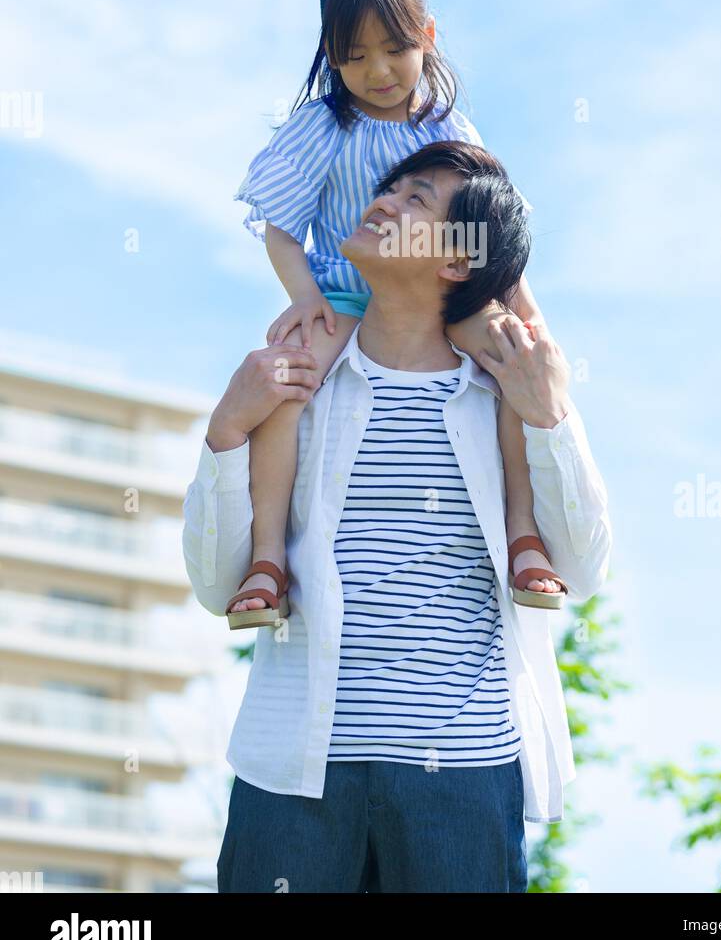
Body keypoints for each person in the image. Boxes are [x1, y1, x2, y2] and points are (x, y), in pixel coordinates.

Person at [182, 139, 613, 892]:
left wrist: (550, 414)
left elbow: (582, 566)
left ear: (457, 260)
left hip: (465, 778)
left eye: (418, 200)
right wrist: (224, 433)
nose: (383, 202)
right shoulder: (299, 376)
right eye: (391, 189)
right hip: (295, 776)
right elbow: (219, 584)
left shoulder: (505, 393)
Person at [225, 0, 567, 628]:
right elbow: (280, 228)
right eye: (355, 56)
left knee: (508, 366)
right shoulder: (324, 126)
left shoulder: (449, 129)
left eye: (394, 49)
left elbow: (493, 234)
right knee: (287, 391)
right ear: (330, 55)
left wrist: (529, 319)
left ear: (427, 37)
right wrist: (305, 299)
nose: (377, 71)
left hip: (443, 297)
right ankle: (268, 558)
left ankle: (523, 534)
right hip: (348, 294)